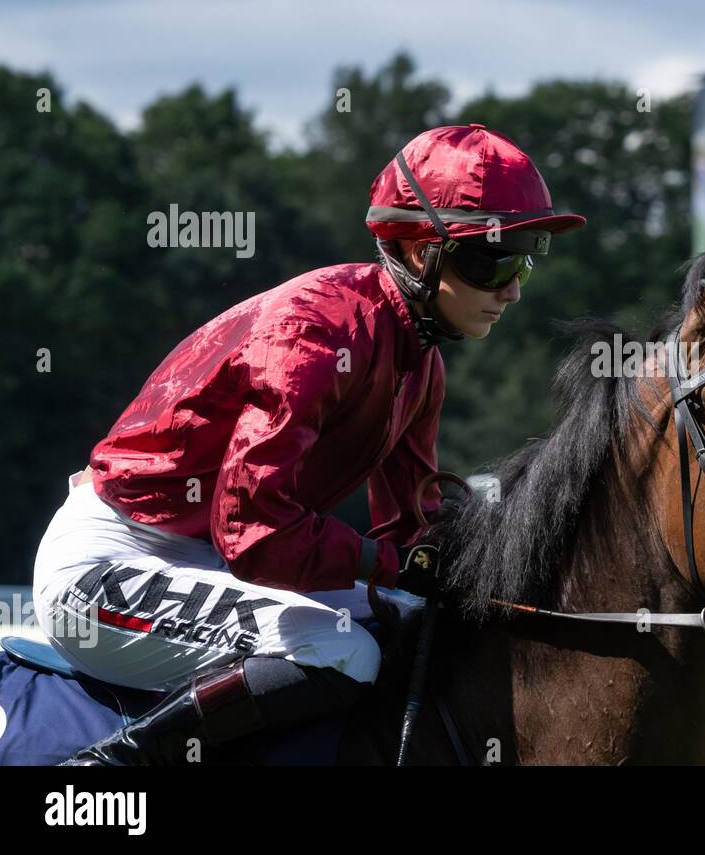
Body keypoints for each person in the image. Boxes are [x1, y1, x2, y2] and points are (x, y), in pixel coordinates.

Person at [32, 123, 585, 765]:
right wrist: (392, 566)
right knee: (345, 650)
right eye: (491, 259)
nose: (512, 288)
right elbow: (254, 535)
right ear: (415, 252)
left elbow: (411, 529)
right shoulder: (315, 338)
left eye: (526, 258)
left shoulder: (420, 359)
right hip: (107, 570)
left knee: (404, 625)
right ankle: (104, 769)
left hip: (200, 560)